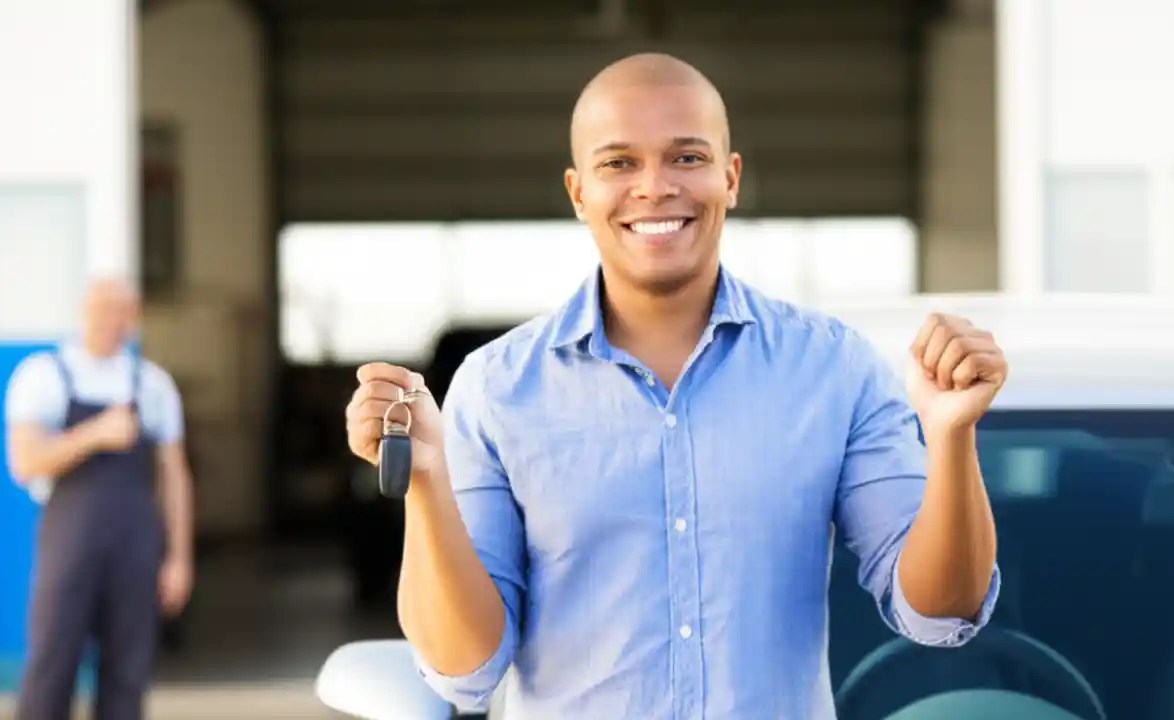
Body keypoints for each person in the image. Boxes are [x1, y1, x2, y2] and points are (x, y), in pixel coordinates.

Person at [344, 53, 1005, 719]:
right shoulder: (494, 389)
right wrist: (426, 484)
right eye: (619, 163)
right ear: (579, 193)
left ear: (731, 177)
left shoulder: (835, 370)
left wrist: (951, 436)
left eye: (687, 157)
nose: (655, 186)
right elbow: (466, 671)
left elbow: (939, 614)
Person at [5, 277, 194, 720]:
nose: (114, 319)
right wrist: (95, 434)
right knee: (52, 663)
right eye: (105, 307)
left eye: (125, 310)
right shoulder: (44, 374)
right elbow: (24, 460)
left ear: (136, 319)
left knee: (127, 674)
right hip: (70, 543)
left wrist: (179, 557)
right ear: (84, 310)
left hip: (135, 546)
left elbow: (174, 476)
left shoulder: (153, 385)